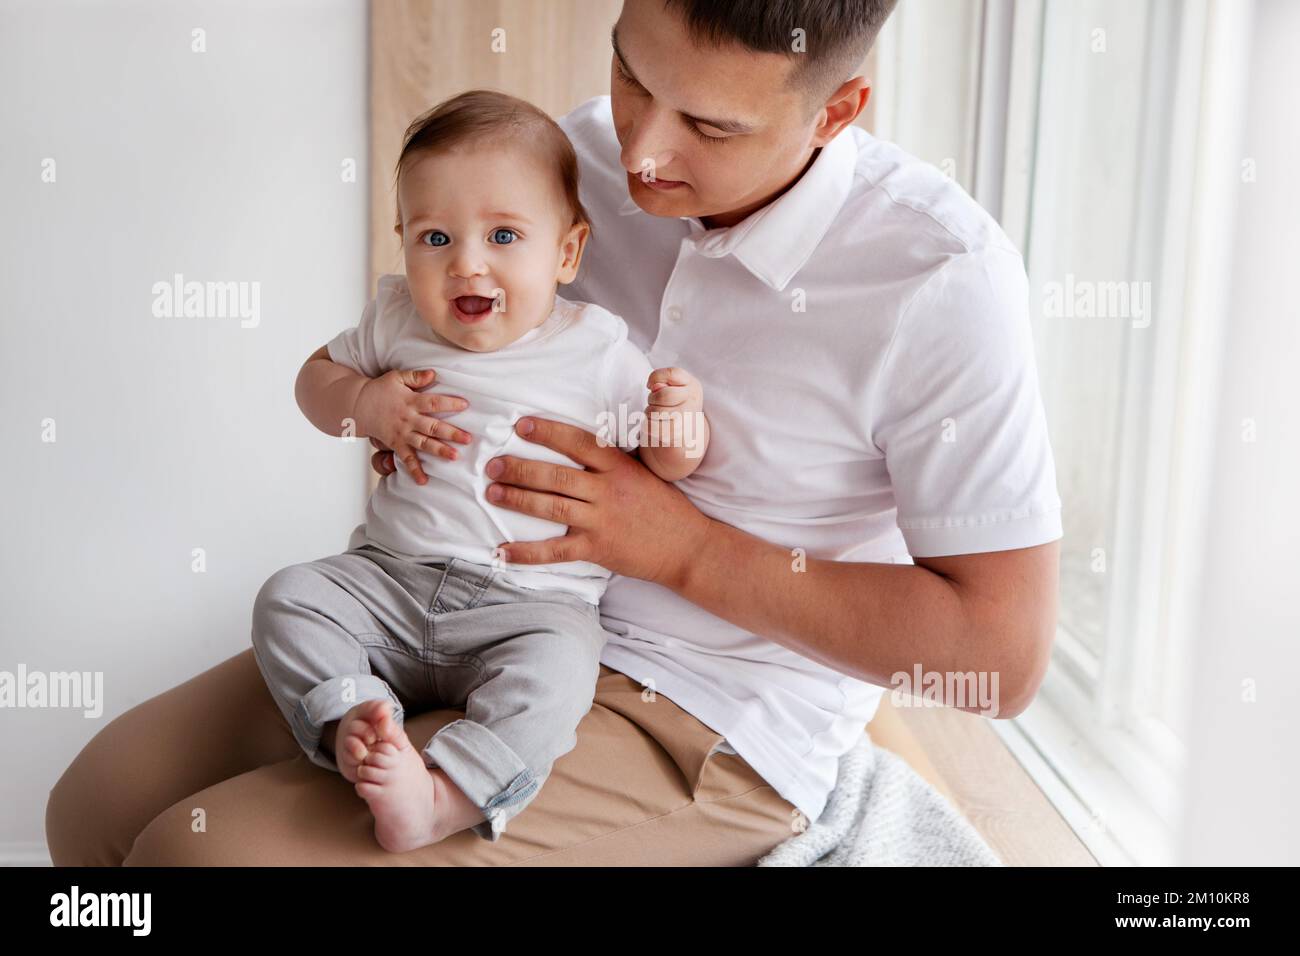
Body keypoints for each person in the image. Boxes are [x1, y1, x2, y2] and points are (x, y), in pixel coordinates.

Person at [46, 0, 1061, 867]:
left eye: (708, 126)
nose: (642, 153)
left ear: (836, 110)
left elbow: (999, 656)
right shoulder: (570, 163)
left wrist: (682, 545)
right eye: (630, 73)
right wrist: (391, 407)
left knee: (195, 852)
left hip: (698, 709)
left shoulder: (938, 278)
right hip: (450, 602)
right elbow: (444, 335)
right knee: (93, 807)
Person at [252, 87, 710, 852]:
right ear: (401, 240)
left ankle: (441, 798)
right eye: (435, 238)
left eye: (503, 235)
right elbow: (312, 384)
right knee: (290, 597)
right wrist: (364, 405)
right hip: (389, 580)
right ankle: (357, 727)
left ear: (565, 252)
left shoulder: (596, 352)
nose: (467, 263)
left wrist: (675, 418)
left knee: (560, 678)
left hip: (531, 605)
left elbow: (668, 463)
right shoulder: (395, 320)